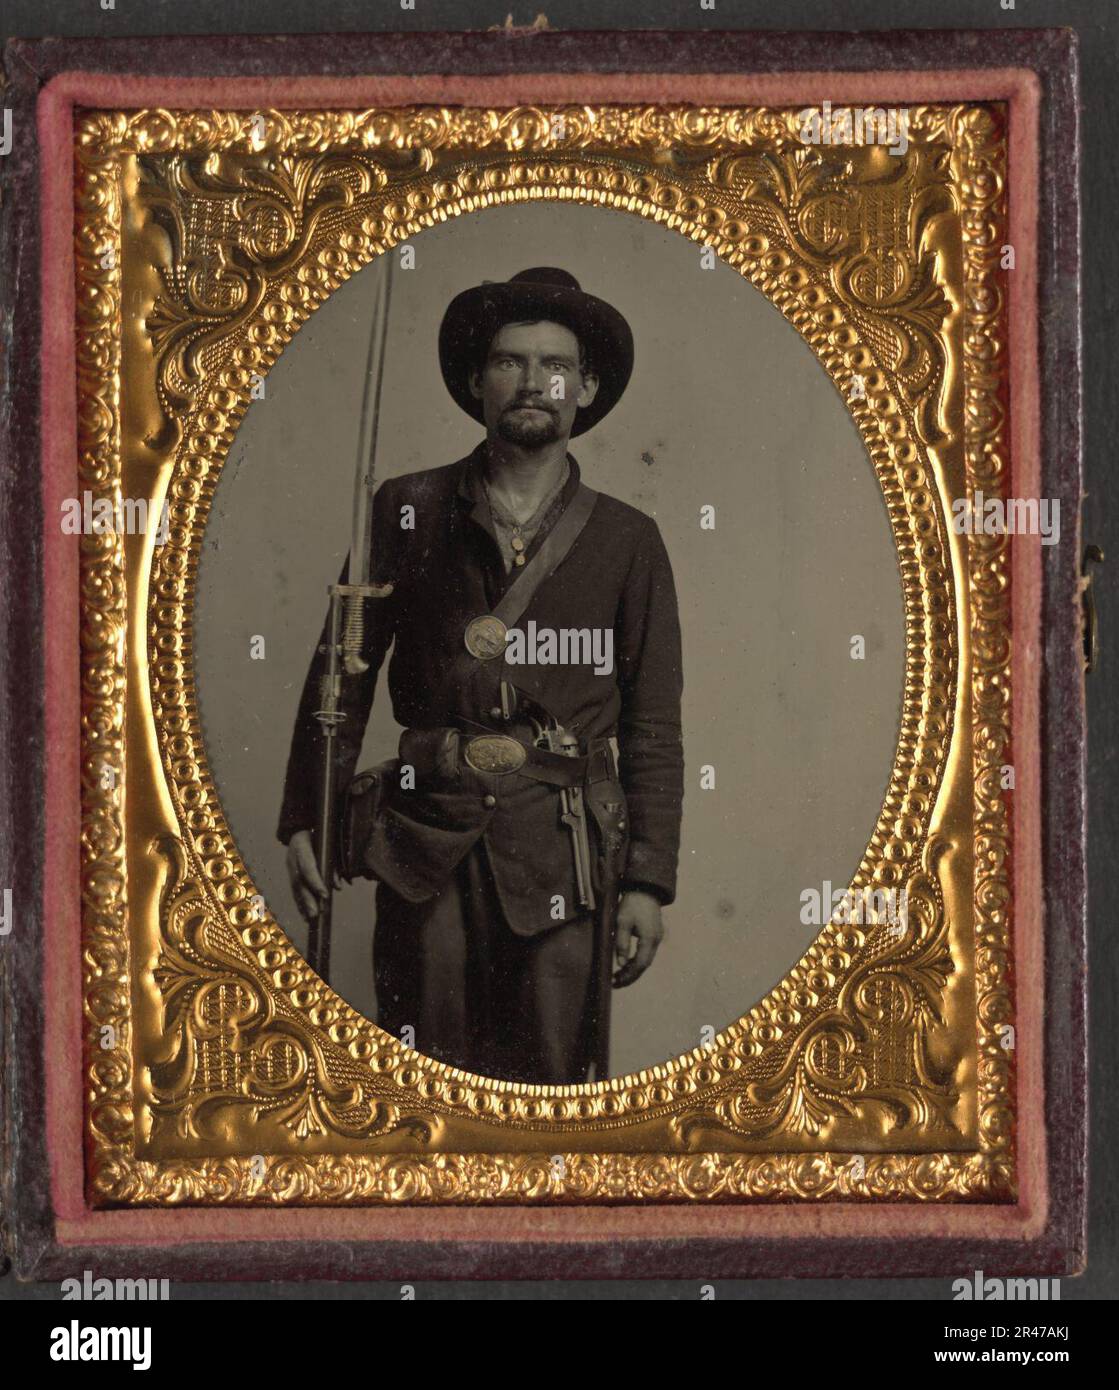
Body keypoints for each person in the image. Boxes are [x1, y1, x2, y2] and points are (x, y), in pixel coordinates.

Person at [278, 267, 683, 1084]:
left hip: (563, 858)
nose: (533, 382)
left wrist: (646, 880)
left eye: (555, 365)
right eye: (508, 361)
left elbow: (652, 724)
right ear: (475, 381)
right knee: (424, 1090)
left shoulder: (628, 539)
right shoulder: (406, 507)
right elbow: (341, 675)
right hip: (426, 843)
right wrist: (304, 816)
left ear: (585, 388)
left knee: (551, 1097)